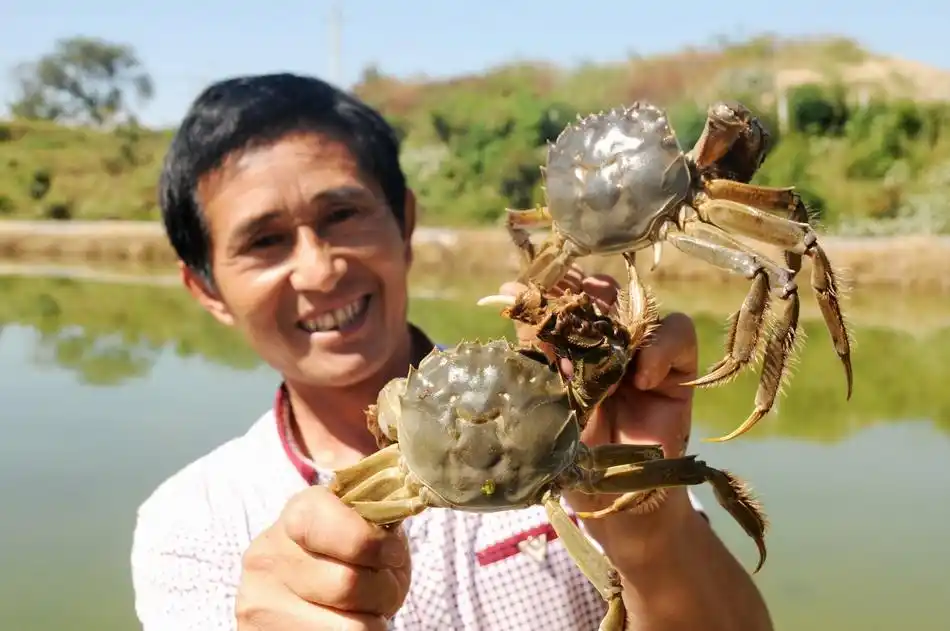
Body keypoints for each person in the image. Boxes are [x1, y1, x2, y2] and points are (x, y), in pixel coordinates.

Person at [130, 71, 773, 631]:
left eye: (342, 216)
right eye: (264, 241)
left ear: (405, 223)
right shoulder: (197, 522)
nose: (320, 271)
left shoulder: (567, 408)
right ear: (206, 288)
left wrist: (648, 532)